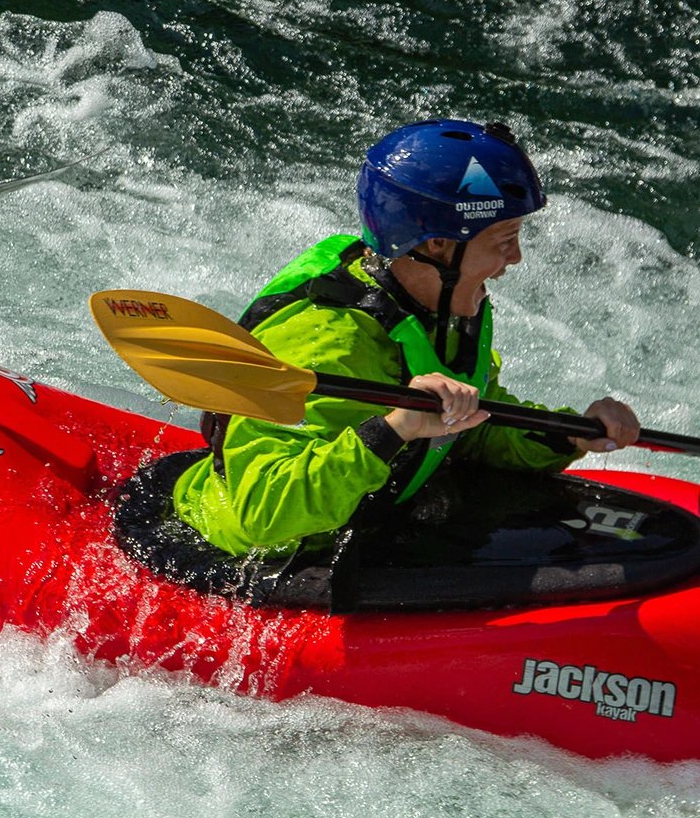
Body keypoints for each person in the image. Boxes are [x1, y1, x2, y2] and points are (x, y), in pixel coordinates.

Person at [173, 119, 641, 557]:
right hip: (246, 554)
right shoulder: (329, 340)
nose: (515, 258)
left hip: (363, 515)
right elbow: (267, 512)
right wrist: (393, 429)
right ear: (437, 244)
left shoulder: (446, 303)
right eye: (503, 240)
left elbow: (472, 428)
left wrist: (572, 434)